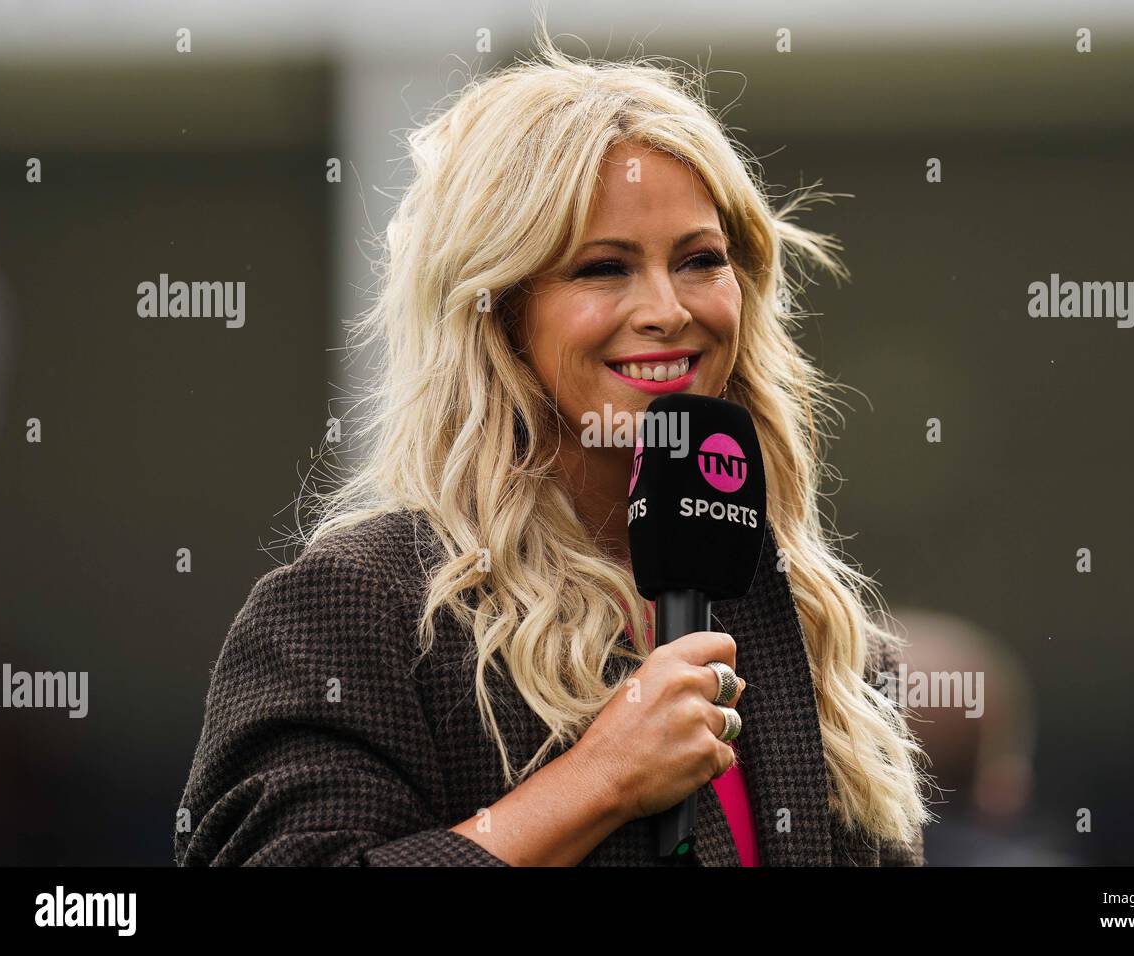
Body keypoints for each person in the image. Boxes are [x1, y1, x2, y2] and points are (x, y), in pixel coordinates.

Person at [175, 24, 934, 867]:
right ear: (499, 314)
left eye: (700, 261)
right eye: (603, 268)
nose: (667, 309)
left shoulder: (803, 619)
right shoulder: (363, 610)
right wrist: (600, 779)